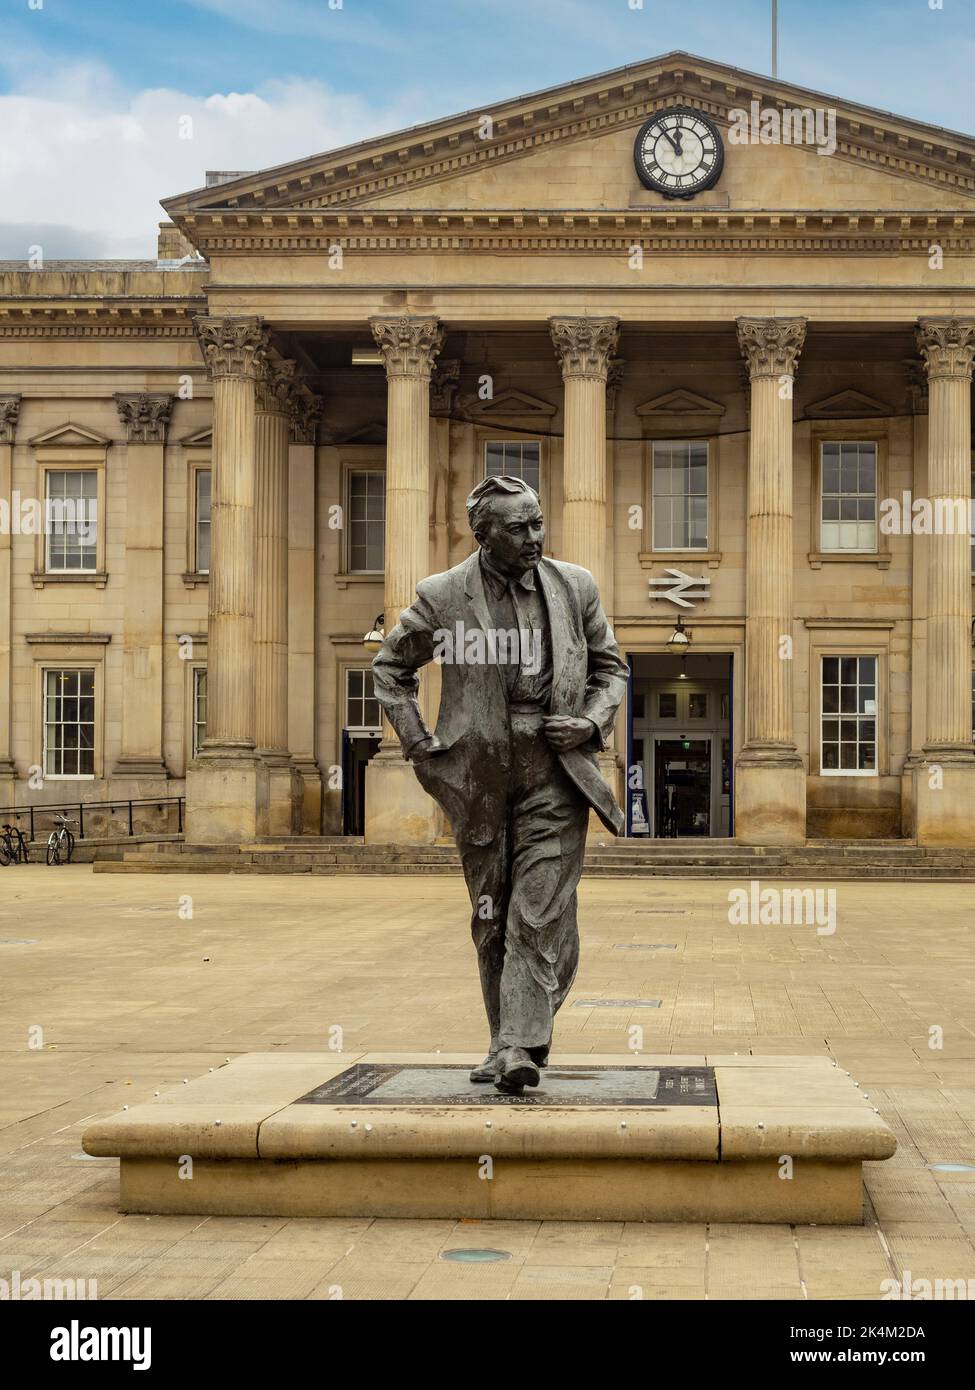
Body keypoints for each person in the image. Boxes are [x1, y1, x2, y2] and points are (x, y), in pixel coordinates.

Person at [372, 475, 627, 1092]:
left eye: (538, 523)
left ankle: (516, 1042)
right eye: (519, 528)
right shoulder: (441, 596)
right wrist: (418, 743)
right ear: (483, 534)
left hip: (555, 773)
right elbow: (390, 668)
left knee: (534, 912)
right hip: (478, 778)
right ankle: (505, 1042)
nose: (535, 537)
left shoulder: (576, 585)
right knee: (491, 917)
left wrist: (591, 721)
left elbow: (610, 668)